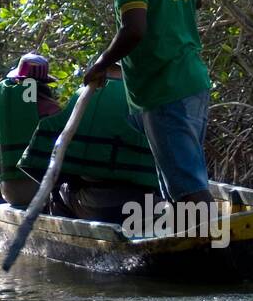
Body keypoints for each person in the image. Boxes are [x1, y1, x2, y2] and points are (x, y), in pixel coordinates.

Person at [83, 0, 213, 207]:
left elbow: (134, 30)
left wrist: (100, 63)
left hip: (164, 89)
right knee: (180, 183)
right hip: (193, 83)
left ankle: (216, 249)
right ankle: (188, 247)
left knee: (188, 190)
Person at [17, 65, 160, 221]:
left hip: (87, 205)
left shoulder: (80, 98)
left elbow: (37, 167)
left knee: (56, 193)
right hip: (136, 207)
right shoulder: (141, 101)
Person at [0, 53, 61, 206]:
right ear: (44, 83)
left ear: (18, 80)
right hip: (43, 192)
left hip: (9, 192)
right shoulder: (52, 110)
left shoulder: (4, 114)